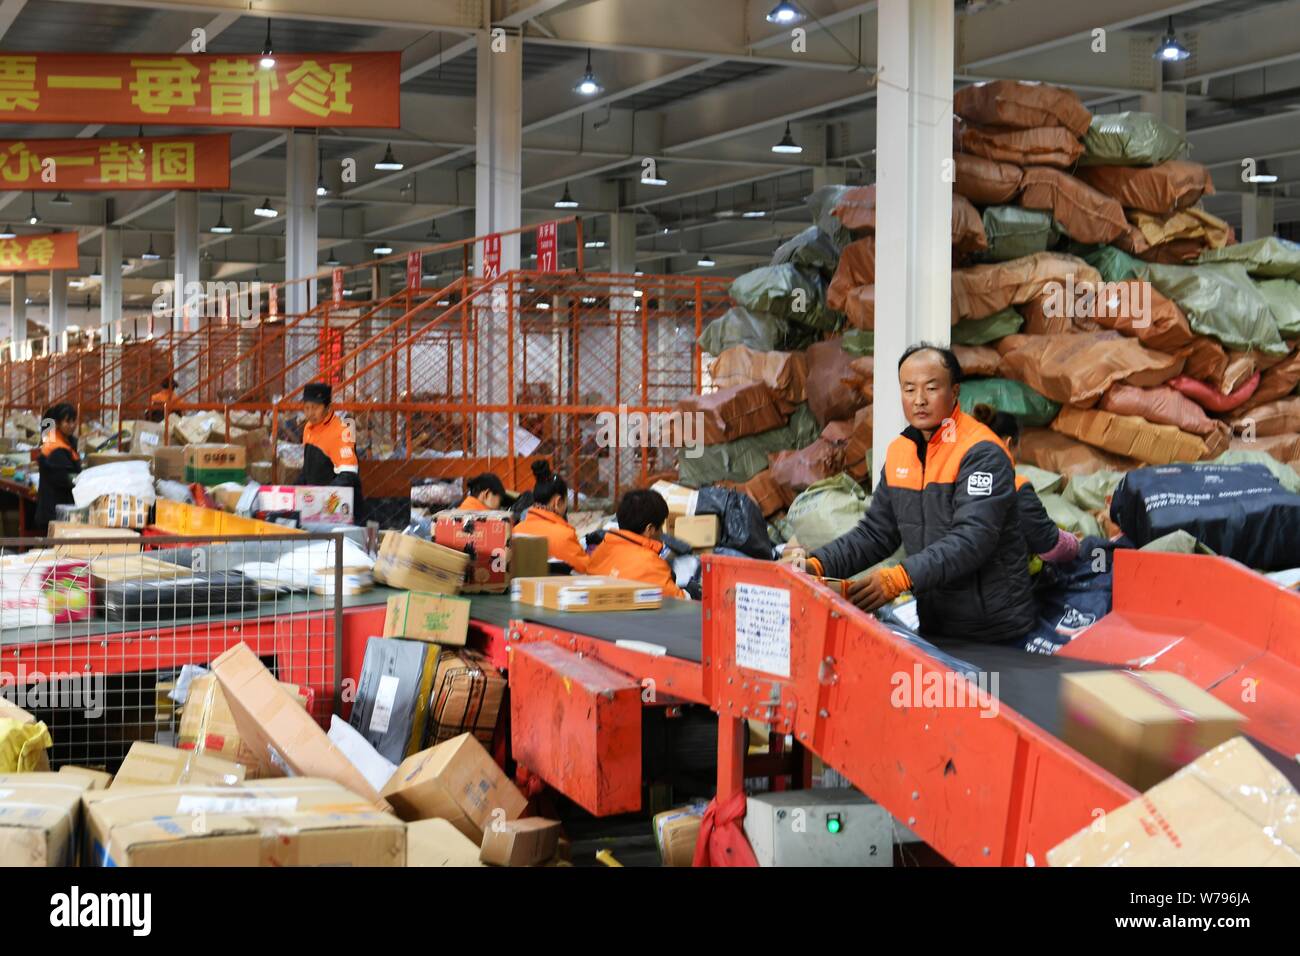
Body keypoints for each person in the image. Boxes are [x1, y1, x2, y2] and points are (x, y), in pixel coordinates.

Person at [785, 343, 1035, 644]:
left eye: (931, 388)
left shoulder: (982, 452)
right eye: (908, 389)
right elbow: (877, 533)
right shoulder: (901, 452)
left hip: (994, 630)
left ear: (954, 392)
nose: (919, 400)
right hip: (936, 621)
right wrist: (817, 564)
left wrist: (900, 577)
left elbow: (973, 539)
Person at [971, 403, 1080, 565]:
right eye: (1019, 445)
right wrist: (1075, 543)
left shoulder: (951, 479)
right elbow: (1052, 547)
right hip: (1003, 584)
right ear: (1009, 444)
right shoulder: (1013, 486)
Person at [588, 488, 687, 599]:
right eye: (661, 528)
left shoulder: (600, 551)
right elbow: (680, 601)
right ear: (650, 529)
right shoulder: (651, 565)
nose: (662, 534)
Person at [298, 382, 364, 521]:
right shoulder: (308, 428)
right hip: (315, 507)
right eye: (306, 408)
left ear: (328, 407)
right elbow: (307, 471)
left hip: (340, 509)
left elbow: (349, 476)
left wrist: (322, 497)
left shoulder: (342, 431)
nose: (310, 413)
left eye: (315, 408)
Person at [513, 460, 590, 572]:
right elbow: (588, 569)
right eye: (565, 501)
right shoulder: (564, 536)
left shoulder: (515, 531)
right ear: (557, 502)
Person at [35, 403, 80, 535]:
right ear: (58, 423)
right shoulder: (56, 448)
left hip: (55, 509)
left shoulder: (65, 441)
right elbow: (65, 478)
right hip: (53, 512)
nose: (72, 425)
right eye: (68, 421)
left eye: (73, 421)